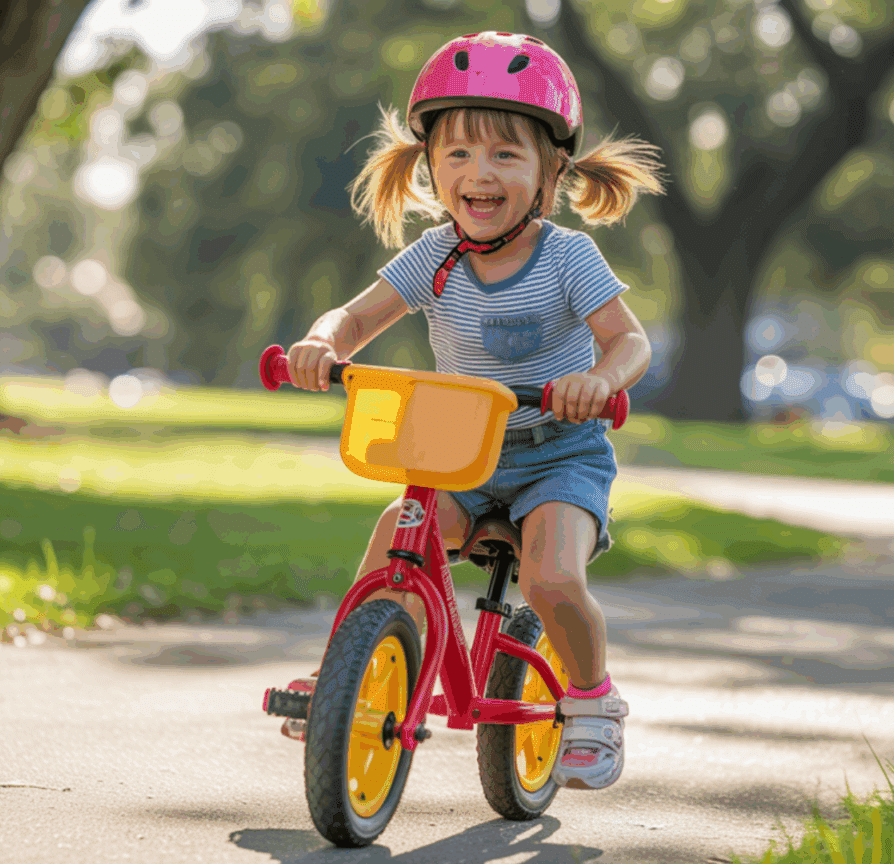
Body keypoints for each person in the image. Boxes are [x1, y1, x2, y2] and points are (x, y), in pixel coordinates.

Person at [282, 31, 664, 792]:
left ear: (550, 172)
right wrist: (321, 342)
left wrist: (601, 379)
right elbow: (353, 320)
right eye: (457, 155)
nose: (478, 174)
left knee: (553, 579)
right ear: (430, 168)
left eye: (504, 156)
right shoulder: (434, 257)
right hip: (460, 452)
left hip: (559, 453)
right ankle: (347, 669)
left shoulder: (567, 258)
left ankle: (592, 700)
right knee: (398, 540)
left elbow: (631, 341)